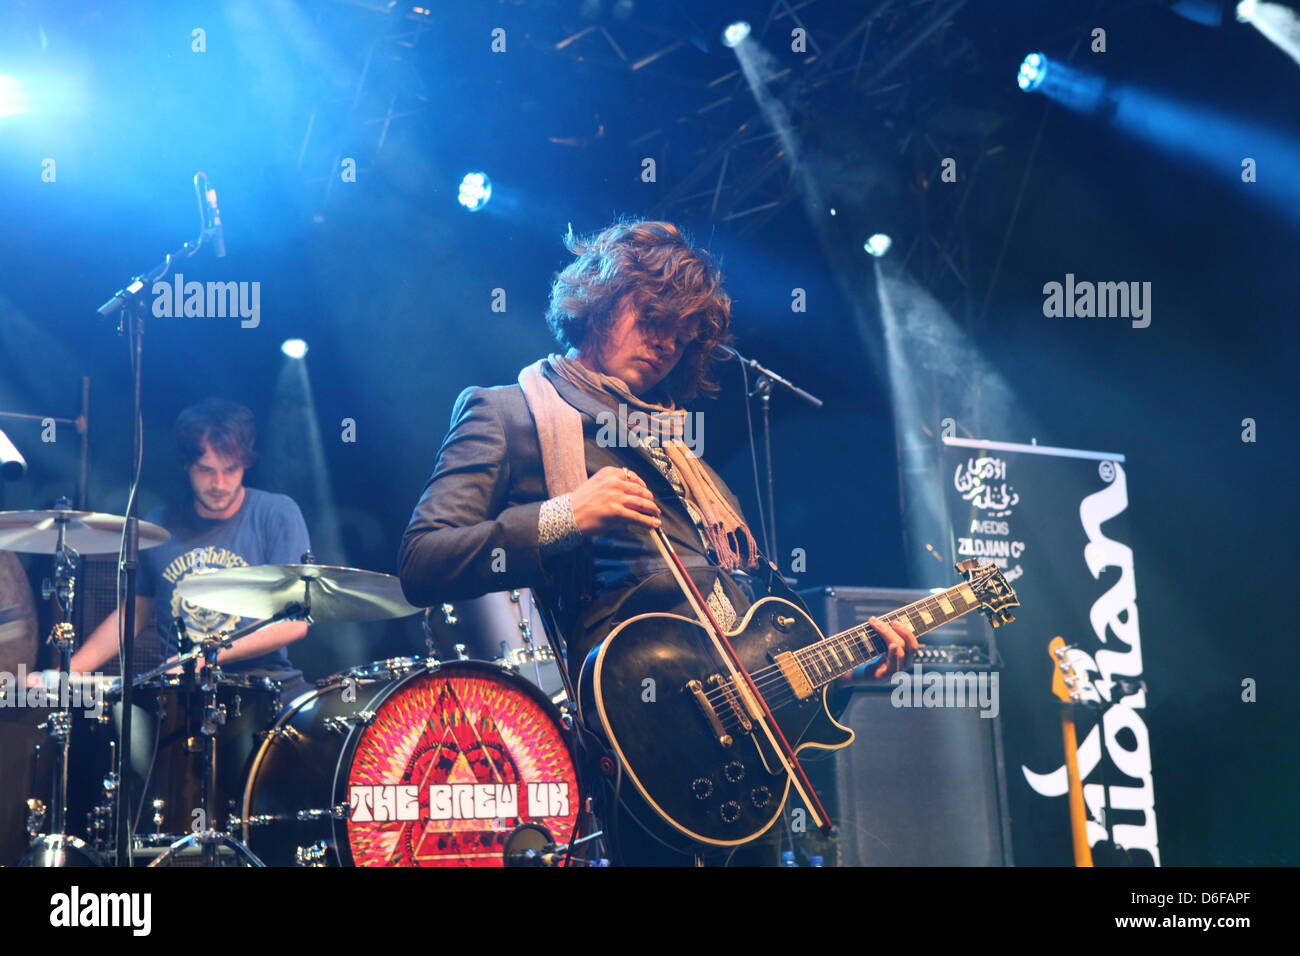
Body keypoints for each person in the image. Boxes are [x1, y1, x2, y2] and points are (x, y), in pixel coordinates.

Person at [399, 219, 918, 865]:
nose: (667, 342)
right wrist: (565, 515)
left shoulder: (672, 441)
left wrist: (844, 671)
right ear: (598, 299)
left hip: (742, 746)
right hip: (642, 728)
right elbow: (422, 560)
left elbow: (752, 636)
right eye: (653, 317)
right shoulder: (507, 412)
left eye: (684, 335)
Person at [68, 398, 312, 702]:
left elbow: (294, 623)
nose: (219, 483)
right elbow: (133, 614)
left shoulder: (277, 513)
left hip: (264, 688)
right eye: (206, 470)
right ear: (187, 465)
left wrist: (200, 659)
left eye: (231, 469)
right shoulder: (159, 525)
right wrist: (69, 673)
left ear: (246, 463)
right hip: (182, 696)